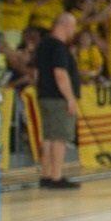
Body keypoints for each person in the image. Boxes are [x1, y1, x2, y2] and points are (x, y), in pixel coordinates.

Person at [35, 12, 80, 189]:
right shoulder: (59, 47)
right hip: (57, 98)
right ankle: (56, 177)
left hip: (44, 95)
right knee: (59, 137)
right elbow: (60, 74)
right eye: (73, 26)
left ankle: (46, 175)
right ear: (64, 25)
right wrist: (70, 98)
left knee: (48, 137)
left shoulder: (43, 45)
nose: (74, 31)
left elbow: (37, 73)